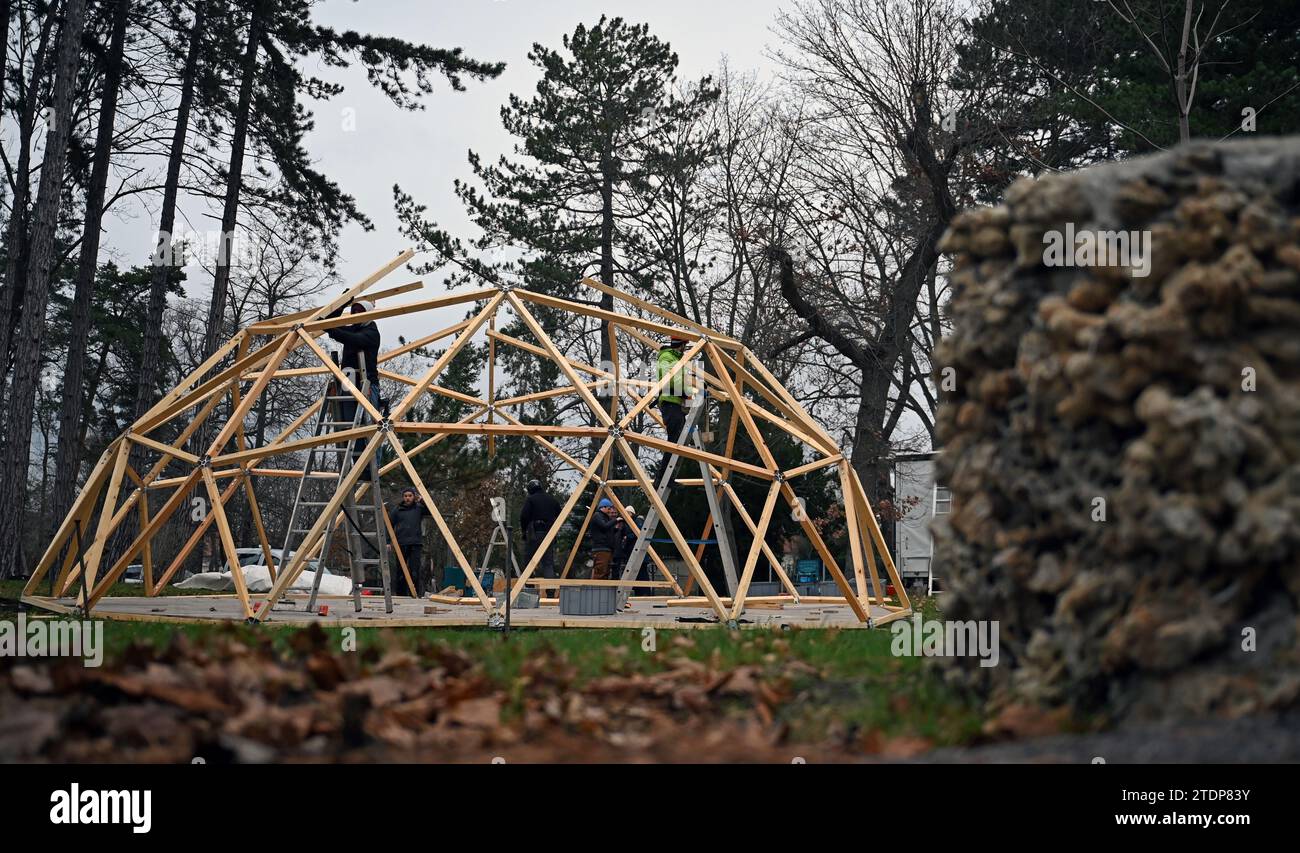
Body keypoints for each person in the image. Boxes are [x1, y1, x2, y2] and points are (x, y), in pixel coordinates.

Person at [326, 299, 382, 426]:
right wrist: (341, 305)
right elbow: (328, 322)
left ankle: (365, 446)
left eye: (360, 312)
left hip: (366, 384)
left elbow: (354, 339)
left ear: (367, 314)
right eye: (354, 311)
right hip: (348, 381)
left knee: (366, 427)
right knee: (348, 423)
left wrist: (332, 330)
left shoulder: (371, 332)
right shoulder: (354, 329)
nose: (356, 314)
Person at [654, 335, 694, 489]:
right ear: (682, 344)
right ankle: (663, 479)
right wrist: (685, 392)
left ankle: (668, 477)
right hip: (670, 403)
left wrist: (689, 400)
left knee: (680, 440)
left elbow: (683, 381)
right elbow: (669, 379)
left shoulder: (678, 359)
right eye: (685, 344)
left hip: (676, 403)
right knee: (674, 441)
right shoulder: (666, 356)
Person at [387, 487, 431, 596]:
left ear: (413, 496)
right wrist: (388, 542)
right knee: (400, 570)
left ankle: (416, 594)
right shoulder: (397, 510)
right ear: (403, 497)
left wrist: (421, 500)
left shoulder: (419, 508)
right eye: (406, 496)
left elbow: (431, 511)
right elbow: (388, 525)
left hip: (415, 543)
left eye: (410, 496)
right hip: (400, 543)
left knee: (415, 570)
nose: (408, 498)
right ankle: (400, 594)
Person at [519, 479, 561, 579]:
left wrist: (524, 532)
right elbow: (560, 515)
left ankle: (529, 588)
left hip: (535, 533)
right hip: (549, 534)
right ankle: (550, 591)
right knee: (548, 563)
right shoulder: (552, 500)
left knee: (529, 560)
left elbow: (523, 516)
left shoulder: (531, 499)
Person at [587, 498, 619, 580]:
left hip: (606, 548)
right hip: (601, 548)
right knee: (600, 573)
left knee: (605, 573)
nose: (610, 511)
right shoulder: (597, 515)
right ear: (603, 507)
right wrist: (616, 520)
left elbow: (607, 530)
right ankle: (596, 591)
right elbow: (604, 527)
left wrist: (615, 529)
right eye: (609, 508)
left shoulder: (605, 517)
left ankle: (602, 591)